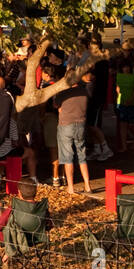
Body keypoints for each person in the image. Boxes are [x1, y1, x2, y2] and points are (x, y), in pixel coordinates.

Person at [55, 66, 92, 194]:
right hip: (80, 124)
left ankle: (71, 187)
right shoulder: (84, 91)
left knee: (67, 157)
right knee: (82, 156)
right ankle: (87, 185)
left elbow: (57, 106)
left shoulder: (63, 93)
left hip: (66, 125)